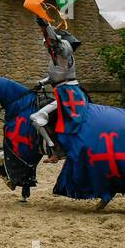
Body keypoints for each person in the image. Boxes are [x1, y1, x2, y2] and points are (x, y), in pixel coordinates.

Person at [29, 21, 86, 158]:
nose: (48, 47)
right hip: (65, 91)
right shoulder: (59, 58)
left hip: (67, 93)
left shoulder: (63, 53)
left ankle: (54, 149)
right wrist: (41, 83)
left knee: (35, 118)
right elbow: (55, 75)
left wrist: (45, 26)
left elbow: (55, 42)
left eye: (49, 44)